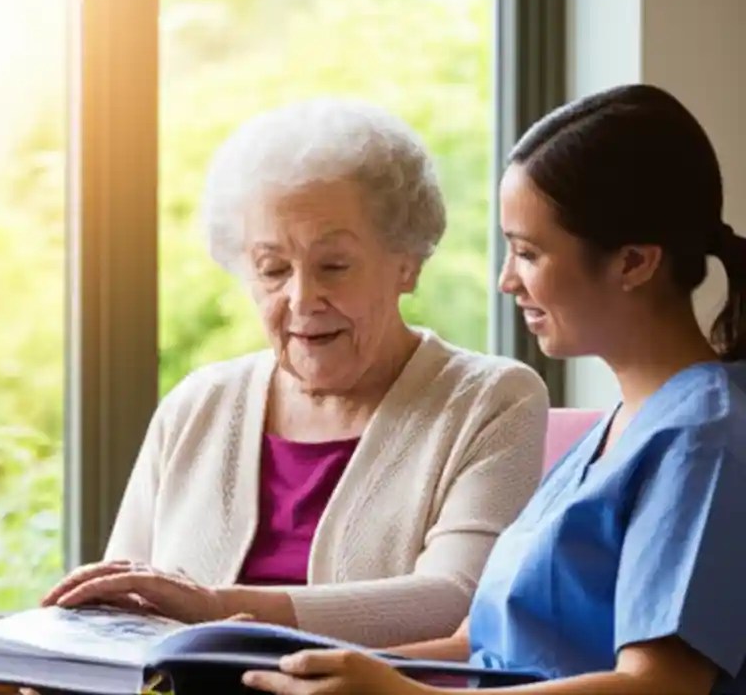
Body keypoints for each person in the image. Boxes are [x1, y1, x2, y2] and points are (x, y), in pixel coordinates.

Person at [241, 83, 746, 695]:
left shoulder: (705, 440)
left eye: (529, 253)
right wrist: (291, 659)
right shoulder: (620, 431)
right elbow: (484, 647)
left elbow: (660, 684)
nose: (508, 281)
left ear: (634, 263)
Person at [43, 98, 549, 647]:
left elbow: (456, 598)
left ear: (407, 262)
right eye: (273, 269)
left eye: (334, 266)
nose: (303, 298)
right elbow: (124, 602)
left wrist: (218, 607)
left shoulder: (491, 399)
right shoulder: (198, 404)